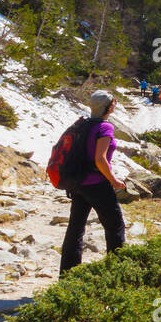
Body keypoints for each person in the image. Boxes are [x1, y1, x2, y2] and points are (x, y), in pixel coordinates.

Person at [59, 90, 126, 274]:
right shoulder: (105, 128)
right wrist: (113, 180)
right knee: (115, 226)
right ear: (109, 106)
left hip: (78, 183)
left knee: (75, 229)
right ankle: (118, 273)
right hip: (97, 184)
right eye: (113, 102)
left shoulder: (84, 124)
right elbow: (100, 159)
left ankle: (67, 276)